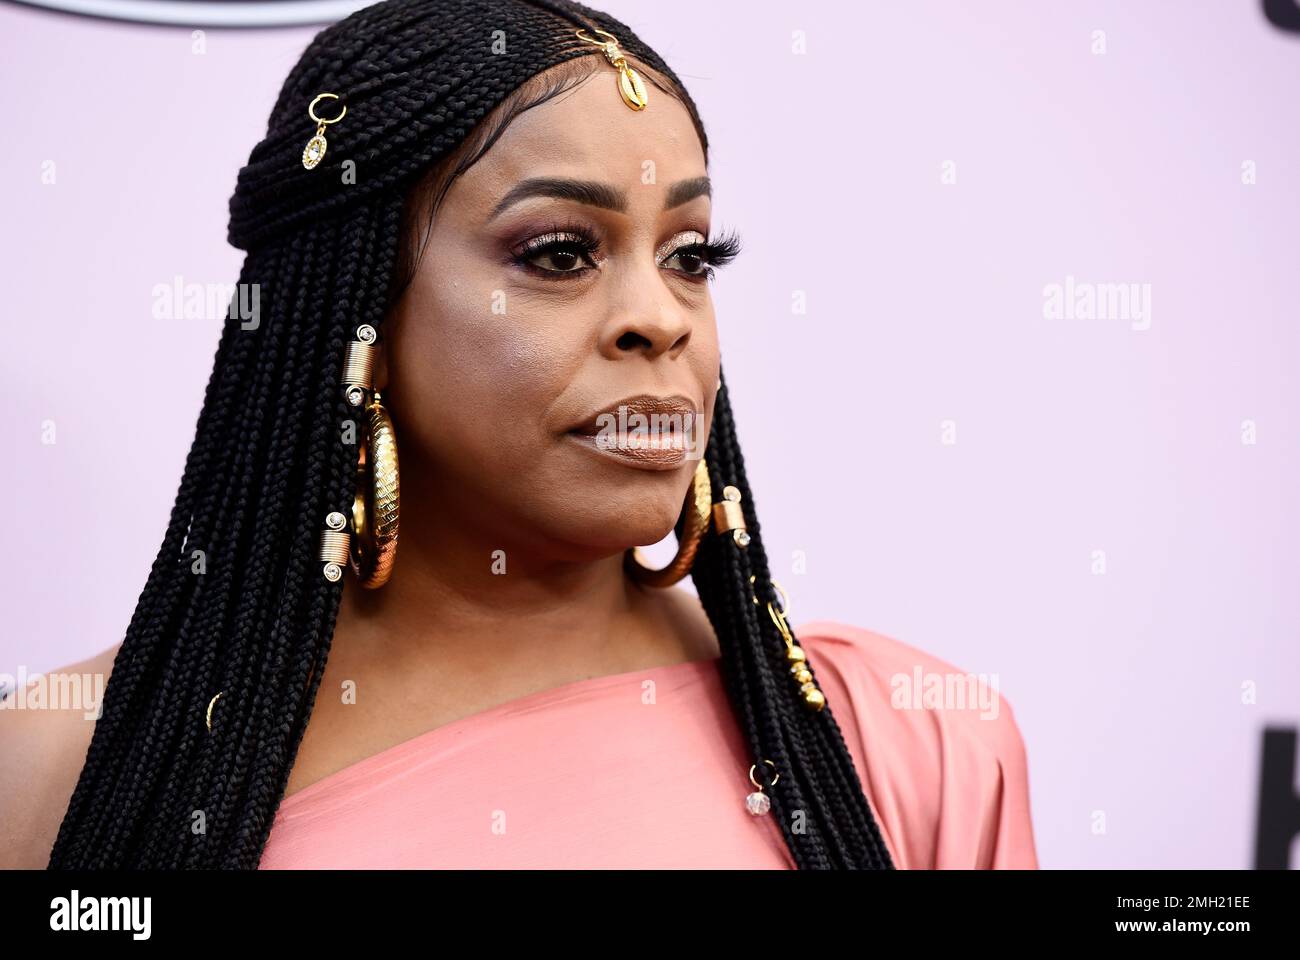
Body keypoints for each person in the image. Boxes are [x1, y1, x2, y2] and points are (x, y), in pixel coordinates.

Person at [0, 0, 1037, 870]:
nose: (662, 317)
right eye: (557, 252)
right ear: (354, 309)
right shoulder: (67, 767)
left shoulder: (905, 740)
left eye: (690, 254)